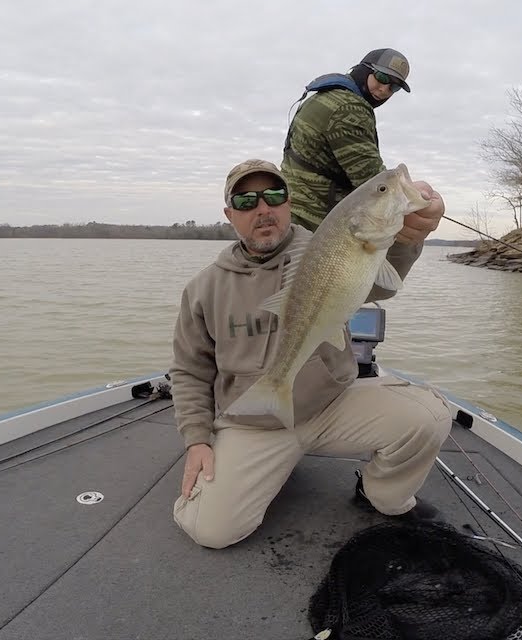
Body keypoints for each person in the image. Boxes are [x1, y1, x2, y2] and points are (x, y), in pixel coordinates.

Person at [169, 159, 453, 550]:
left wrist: (408, 237)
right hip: (253, 422)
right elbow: (188, 370)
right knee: (212, 532)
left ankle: (385, 497)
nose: (263, 209)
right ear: (229, 214)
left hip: (330, 407)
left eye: (274, 196)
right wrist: (197, 438)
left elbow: (385, 282)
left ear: (288, 203)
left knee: (430, 414)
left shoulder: (325, 244)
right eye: (247, 200)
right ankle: (250, 465)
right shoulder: (203, 288)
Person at [283, 48, 442, 240]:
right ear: (363, 70)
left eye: (395, 87)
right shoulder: (349, 108)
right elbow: (371, 181)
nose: (385, 89)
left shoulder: (327, 96)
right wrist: (417, 201)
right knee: (406, 241)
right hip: (317, 227)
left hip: (293, 216)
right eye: (382, 77)